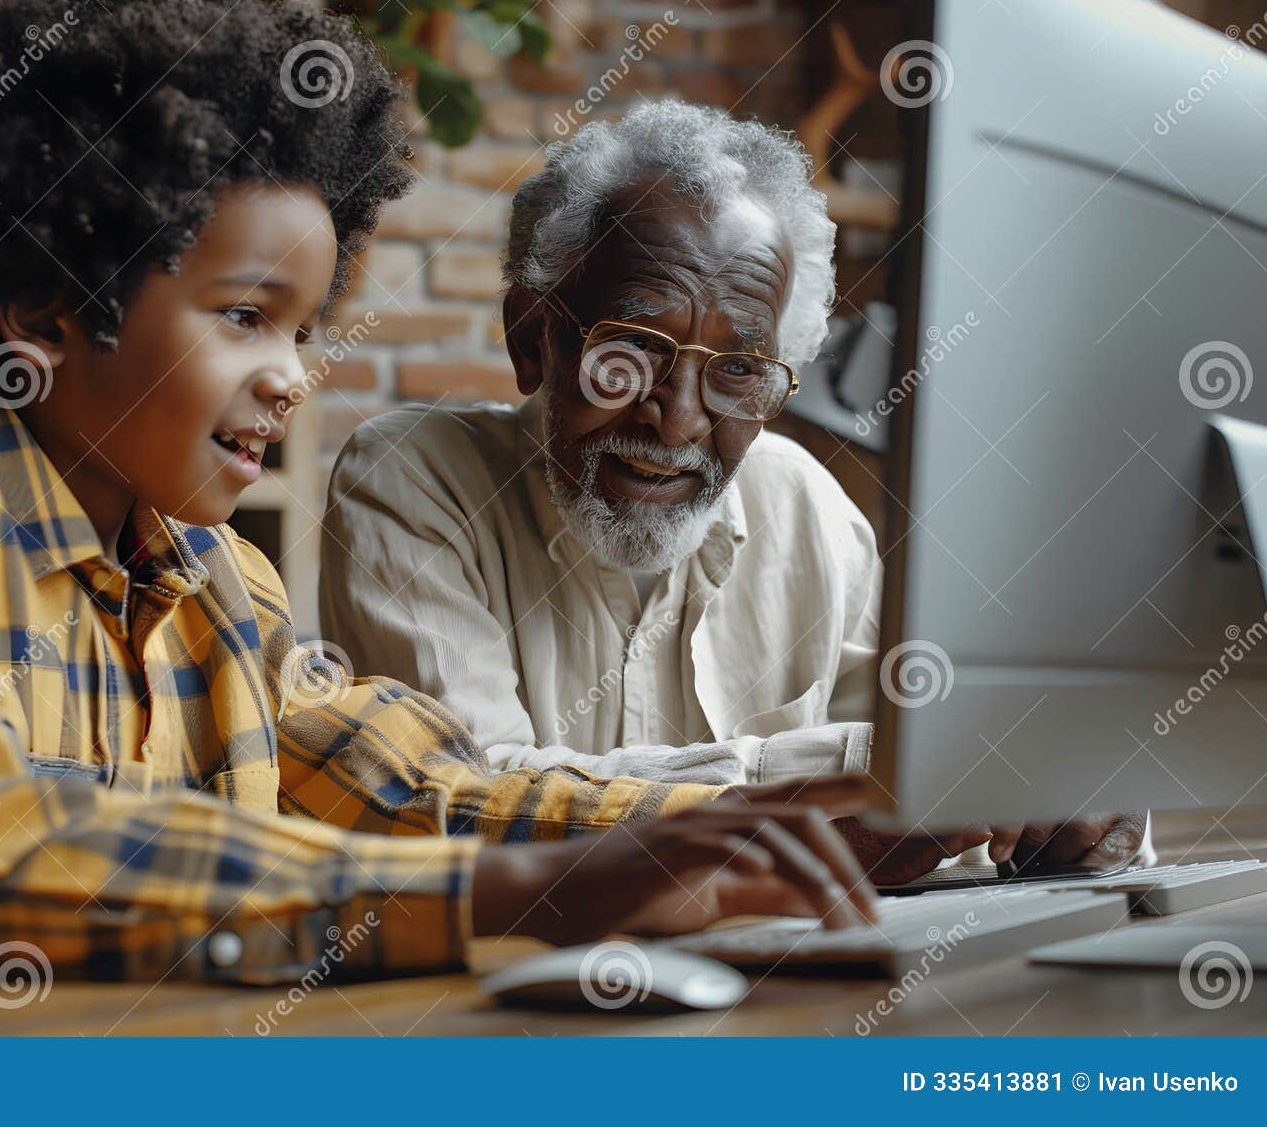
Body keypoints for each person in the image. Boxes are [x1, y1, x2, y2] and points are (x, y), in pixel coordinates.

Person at [0, 0, 879, 985]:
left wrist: (778, 825)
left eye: (303, 331)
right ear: (45, 313)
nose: (294, 377)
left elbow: (425, 791)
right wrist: (523, 891)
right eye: (248, 318)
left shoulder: (218, 582)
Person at [320, 100, 1148, 882]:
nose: (677, 421)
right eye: (633, 349)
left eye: (739, 370)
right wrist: (833, 782)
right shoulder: (409, 479)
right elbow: (462, 805)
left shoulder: (808, 508)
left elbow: (932, 800)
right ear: (533, 336)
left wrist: (1050, 804)